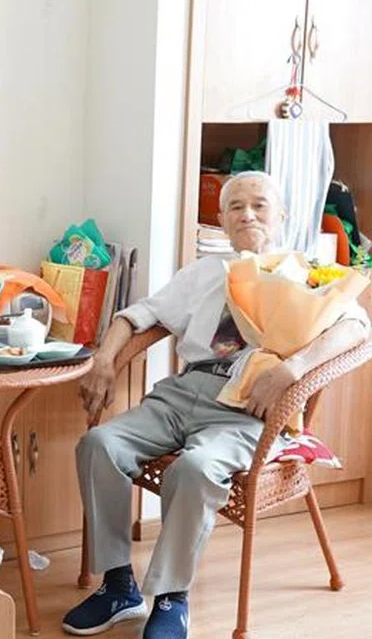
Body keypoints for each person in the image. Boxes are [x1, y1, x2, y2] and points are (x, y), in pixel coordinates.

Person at [63, 171, 369, 638]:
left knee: (195, 469)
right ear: (221, 220)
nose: (248, 214)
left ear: (281, 215)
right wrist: (104, 359)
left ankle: (171, 596)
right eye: (236, 207)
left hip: (249, 405)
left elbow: (356, 328)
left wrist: (293, 368)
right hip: (184, 392)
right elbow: (138, 315)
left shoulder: (309, 272)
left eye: (260, 205)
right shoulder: (204, 272)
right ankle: (119, 584)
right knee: (99, 444)